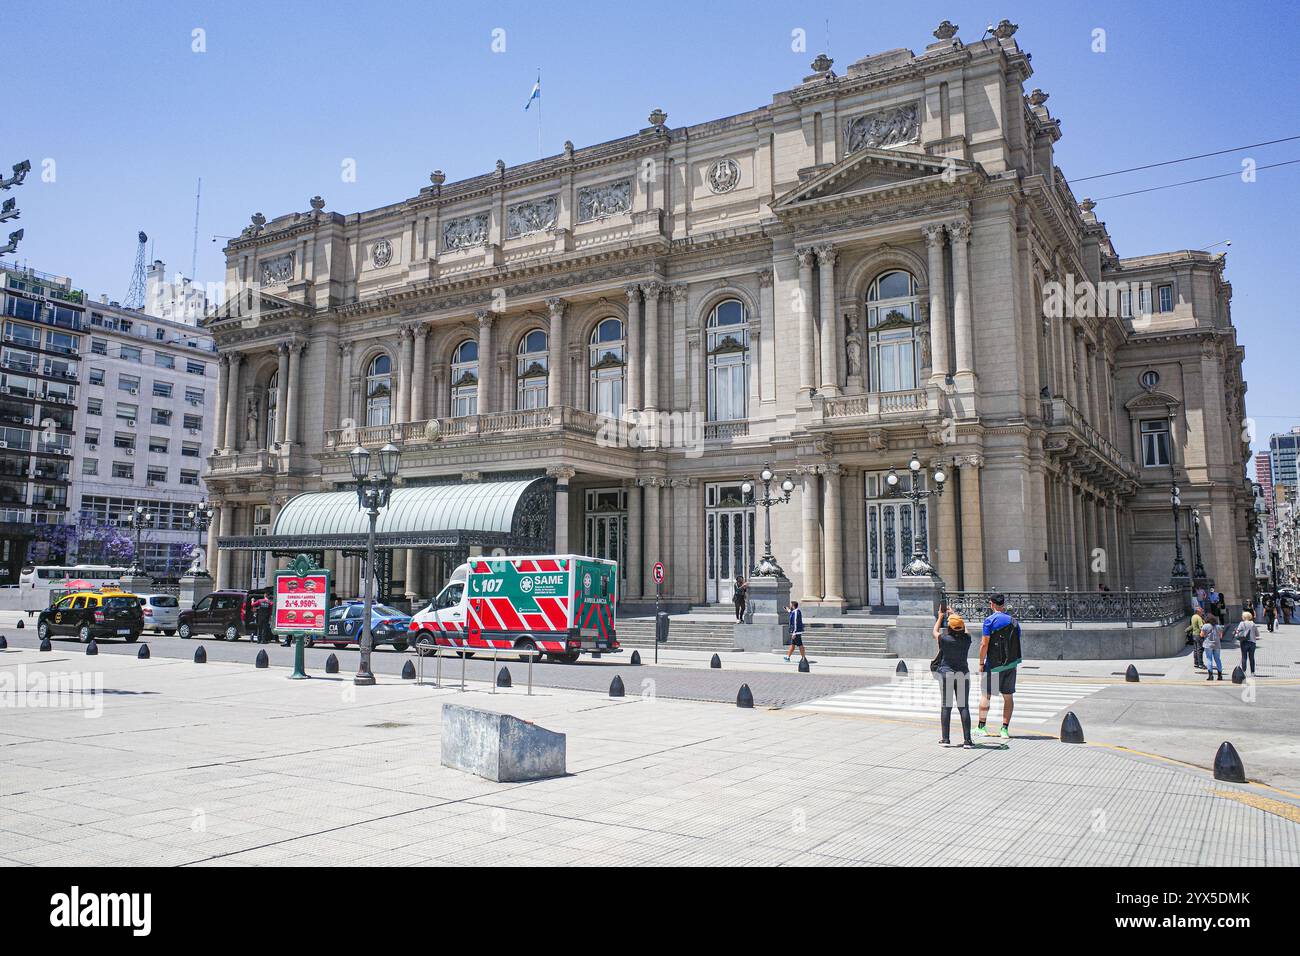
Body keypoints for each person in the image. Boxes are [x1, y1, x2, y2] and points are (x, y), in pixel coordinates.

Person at [976, 592, 1021, 740]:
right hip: (1010, 664)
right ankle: (1004, 729)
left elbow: (984, 644)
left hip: (993, 665)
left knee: (986, 696)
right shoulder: (1014, 621)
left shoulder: (989, 621)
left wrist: (981, 663)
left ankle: (981, 727)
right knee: (1008, 697)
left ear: (992, 604)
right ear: (1003, 604)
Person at [932, 606, 973, 747]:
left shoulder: (944, 639)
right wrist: (955, 615)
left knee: (946, 706)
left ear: (949, 627)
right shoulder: (967, 639)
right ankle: (967, 740)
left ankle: (946, 739)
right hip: (963, 673)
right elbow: (965, 629)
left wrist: (940, 616)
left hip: (946, 674)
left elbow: (934, 631)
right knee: (963, 707)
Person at [1235, 610, 1259, 677]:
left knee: (1244, 657)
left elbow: (1238, 632)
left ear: (1243, 617)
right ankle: (1252, 672)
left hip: (1244, 642)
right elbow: (1257, 634)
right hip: (1252, 642)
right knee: (1252, 657)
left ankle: (1244, 672)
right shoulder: (1253, 624)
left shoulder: (1241, 623)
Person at [1201, 613, 1223, 682]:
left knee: (1209, 659)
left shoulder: (1205, 626)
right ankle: (1220, 675)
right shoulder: (1218, 626)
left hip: (1208, 645)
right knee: (1218, 659)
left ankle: (1210, 676)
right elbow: (1221, 636)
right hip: (1216, 644)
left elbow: (1201, 635)